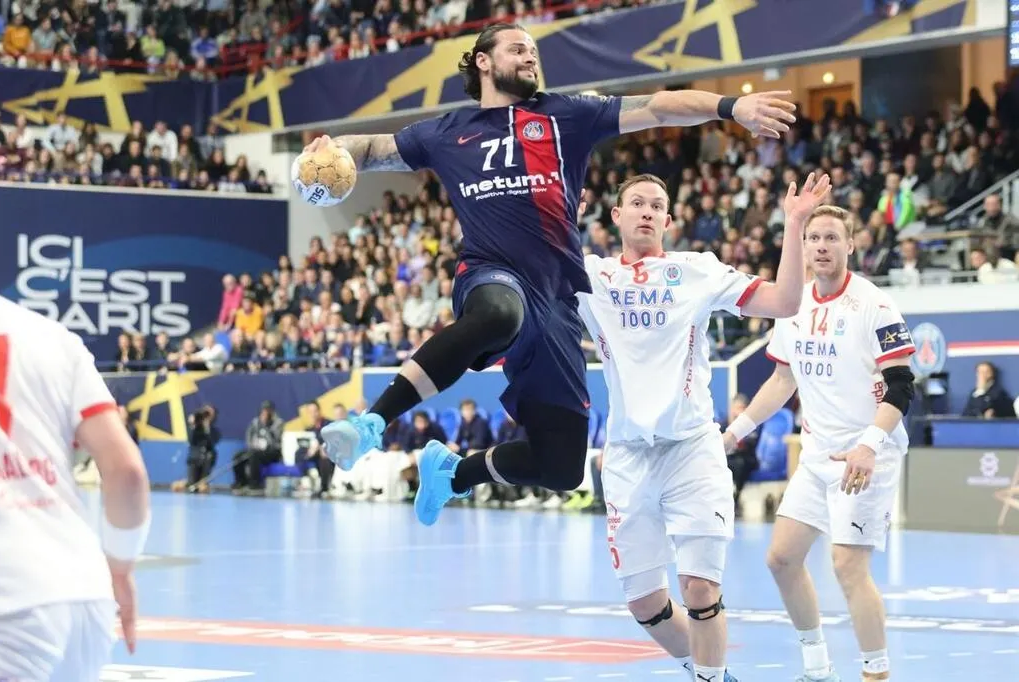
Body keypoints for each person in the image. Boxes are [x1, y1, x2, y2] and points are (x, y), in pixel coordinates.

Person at [307, 22, 797, 526]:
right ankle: (371, 423)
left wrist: (730, 107)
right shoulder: (447, 131)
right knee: (499, 314)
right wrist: (327, 153)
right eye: (518, 49)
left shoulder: (566, 115)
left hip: (556, 299)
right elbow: (372, 149)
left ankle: (452, 473)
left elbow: (657, 107)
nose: (530, 57)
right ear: (482, 61)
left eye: (534, 51)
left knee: (561, 465)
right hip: (492, 272)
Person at [576, 172, 829, 682]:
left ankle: (710, 677)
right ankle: (711, 674)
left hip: (692, 449)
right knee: (644, 602)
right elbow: (529, 256)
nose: (647, 212)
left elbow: (785, 301)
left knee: (699, 589)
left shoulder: (696, 271)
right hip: (626, 455)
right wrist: (562, 214)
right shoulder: (588, 276)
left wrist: (795, 223)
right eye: (637, 203)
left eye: (657, 205)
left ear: (668, 220)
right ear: (616, 216)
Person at [722, 205, 917, 682]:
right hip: (817, 454)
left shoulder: (874, 305)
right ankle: (817, 666)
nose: (822, 246)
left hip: (867, 454)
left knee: (847, 566)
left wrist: (869, 445)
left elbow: (902, 386)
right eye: (814, 238)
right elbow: (781, 380)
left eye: (832, 237)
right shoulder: (792, 305)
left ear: (850, 245)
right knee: (781, 559)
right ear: (803, 246)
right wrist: (734, 433)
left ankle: (876, 673)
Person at [0, 293, 151, 681]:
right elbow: (127, 470)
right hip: (85, 595)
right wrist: (121, 569)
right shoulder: (53, 337)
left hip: (6, 602)